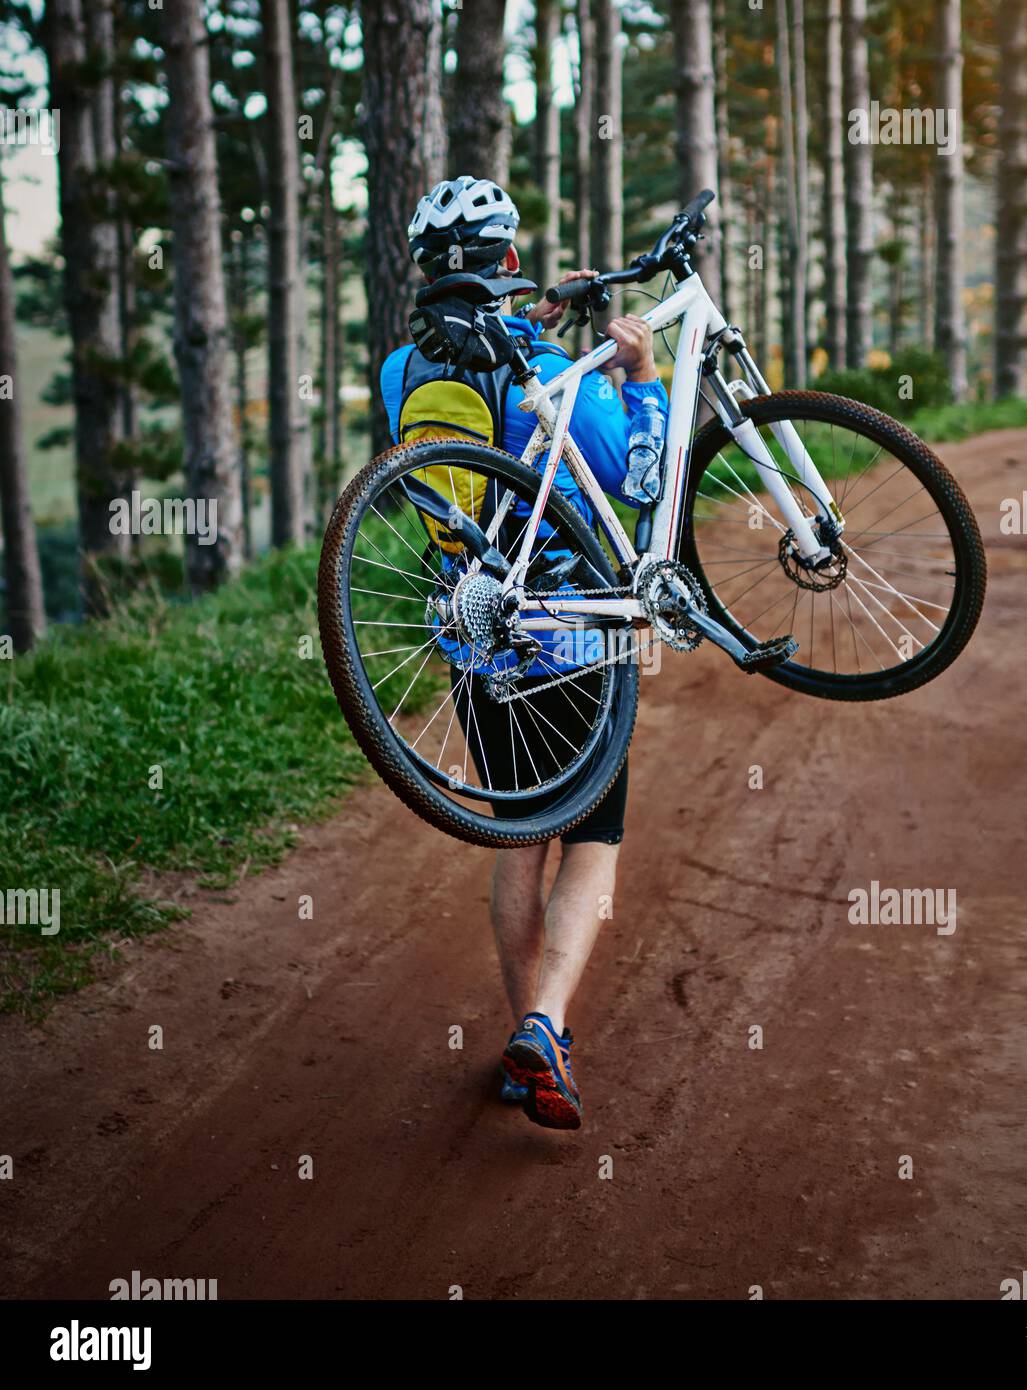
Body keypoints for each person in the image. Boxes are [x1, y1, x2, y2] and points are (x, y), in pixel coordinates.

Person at [380, 175, 668, 1130]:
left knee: (520, 836)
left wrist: (536, 323)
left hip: (475, 637)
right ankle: (545, 1025)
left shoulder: (402, 376)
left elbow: (475, 400)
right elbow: (635, 480)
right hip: (574, 629)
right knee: (593, 837)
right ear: (509, 261)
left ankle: (521, 1049)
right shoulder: (556, 374)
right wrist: (641, 376)